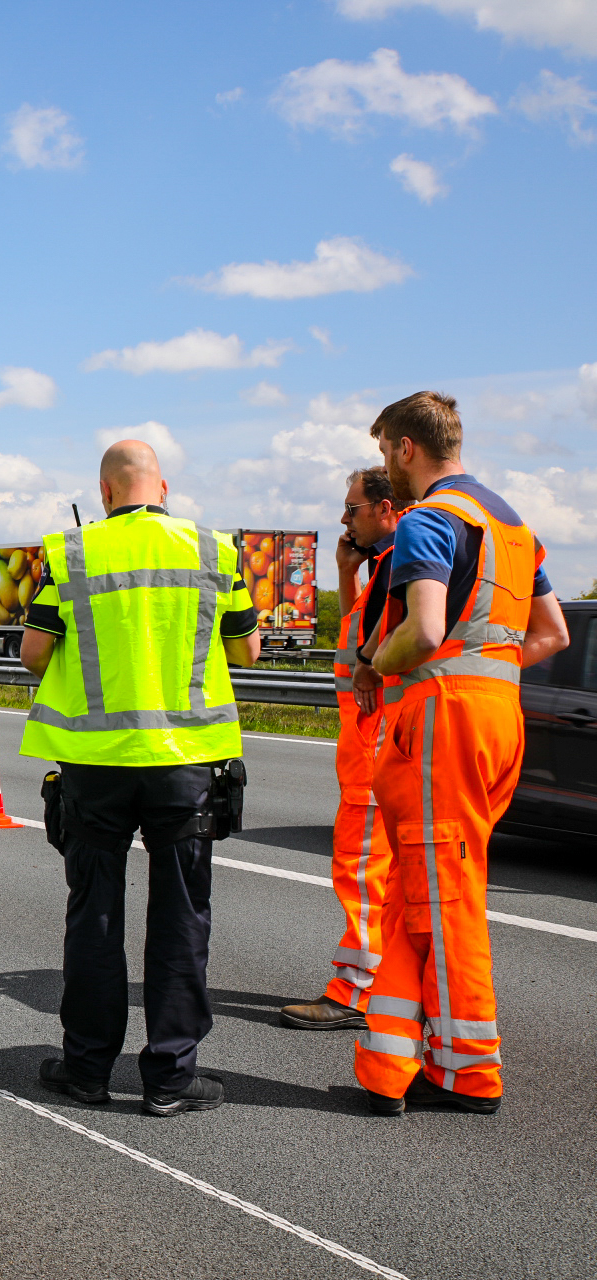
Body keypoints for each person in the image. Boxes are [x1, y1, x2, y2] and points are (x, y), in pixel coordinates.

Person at [18, 440, 260, 1116]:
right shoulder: (215, 551)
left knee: (93, 915)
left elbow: (35, 653)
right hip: (185, 763)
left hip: (96, 763)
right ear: (164, 486)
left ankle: (88, 1070)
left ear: (104, 491)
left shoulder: (70, 552)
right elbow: (246, 647)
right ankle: (170, 1082)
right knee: (182, 917)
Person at [354, 392, 568, 1116]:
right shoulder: (513, 527)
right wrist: (489, 669)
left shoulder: (430, 521)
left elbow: (423, 629)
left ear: (407, 448)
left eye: (388, 453)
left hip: (442, 718)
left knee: (442, 900)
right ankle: (397, 1065)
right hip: (498, 716)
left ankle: (469, 1072)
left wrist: (378, 662)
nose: (389, 469)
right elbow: (553, 635)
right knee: (431, 887)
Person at [280, 465, 400, 1029]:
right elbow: (356, 644)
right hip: (372, 749)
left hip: (379, 755)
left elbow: (372, 661)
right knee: (387, 882)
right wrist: (346, 573)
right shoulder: (382, 573)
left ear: (385, 509)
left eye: (351, 508)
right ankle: (391, 985)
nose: (343, 518)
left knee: (363, 876)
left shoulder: (407, 564)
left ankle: (356, 990)